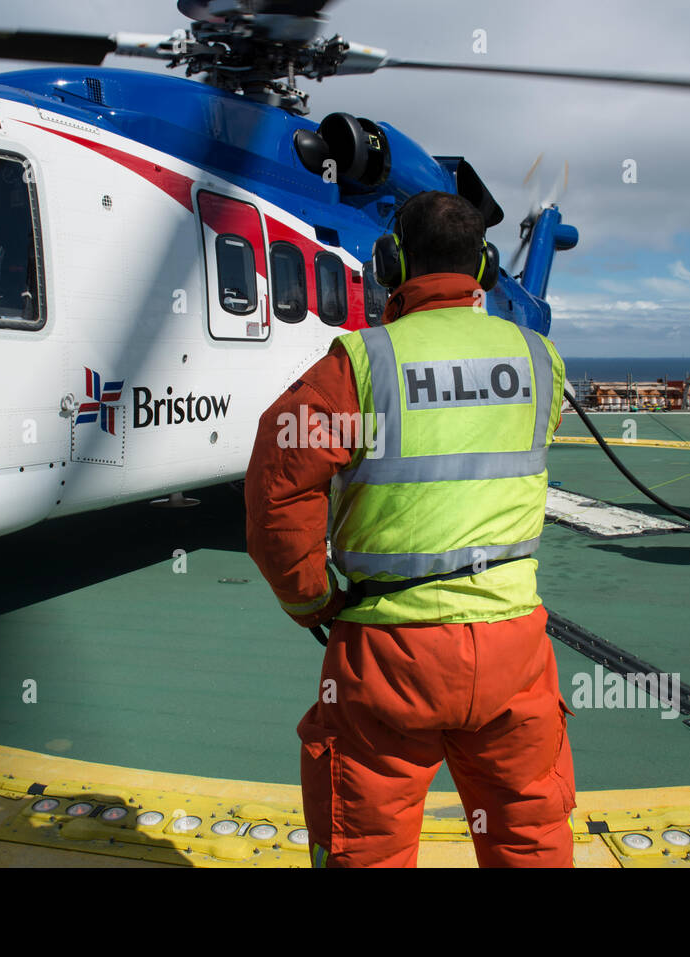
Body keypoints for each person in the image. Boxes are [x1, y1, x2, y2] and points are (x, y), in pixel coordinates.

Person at [245, 191, 574, 868]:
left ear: (392, 262)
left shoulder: (360, 362)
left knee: (366, 845)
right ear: (483, 265)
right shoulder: (541, 359)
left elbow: (279, 485)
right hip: (514, 646)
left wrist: (310, 597)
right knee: (528, 831)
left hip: (390, 652)